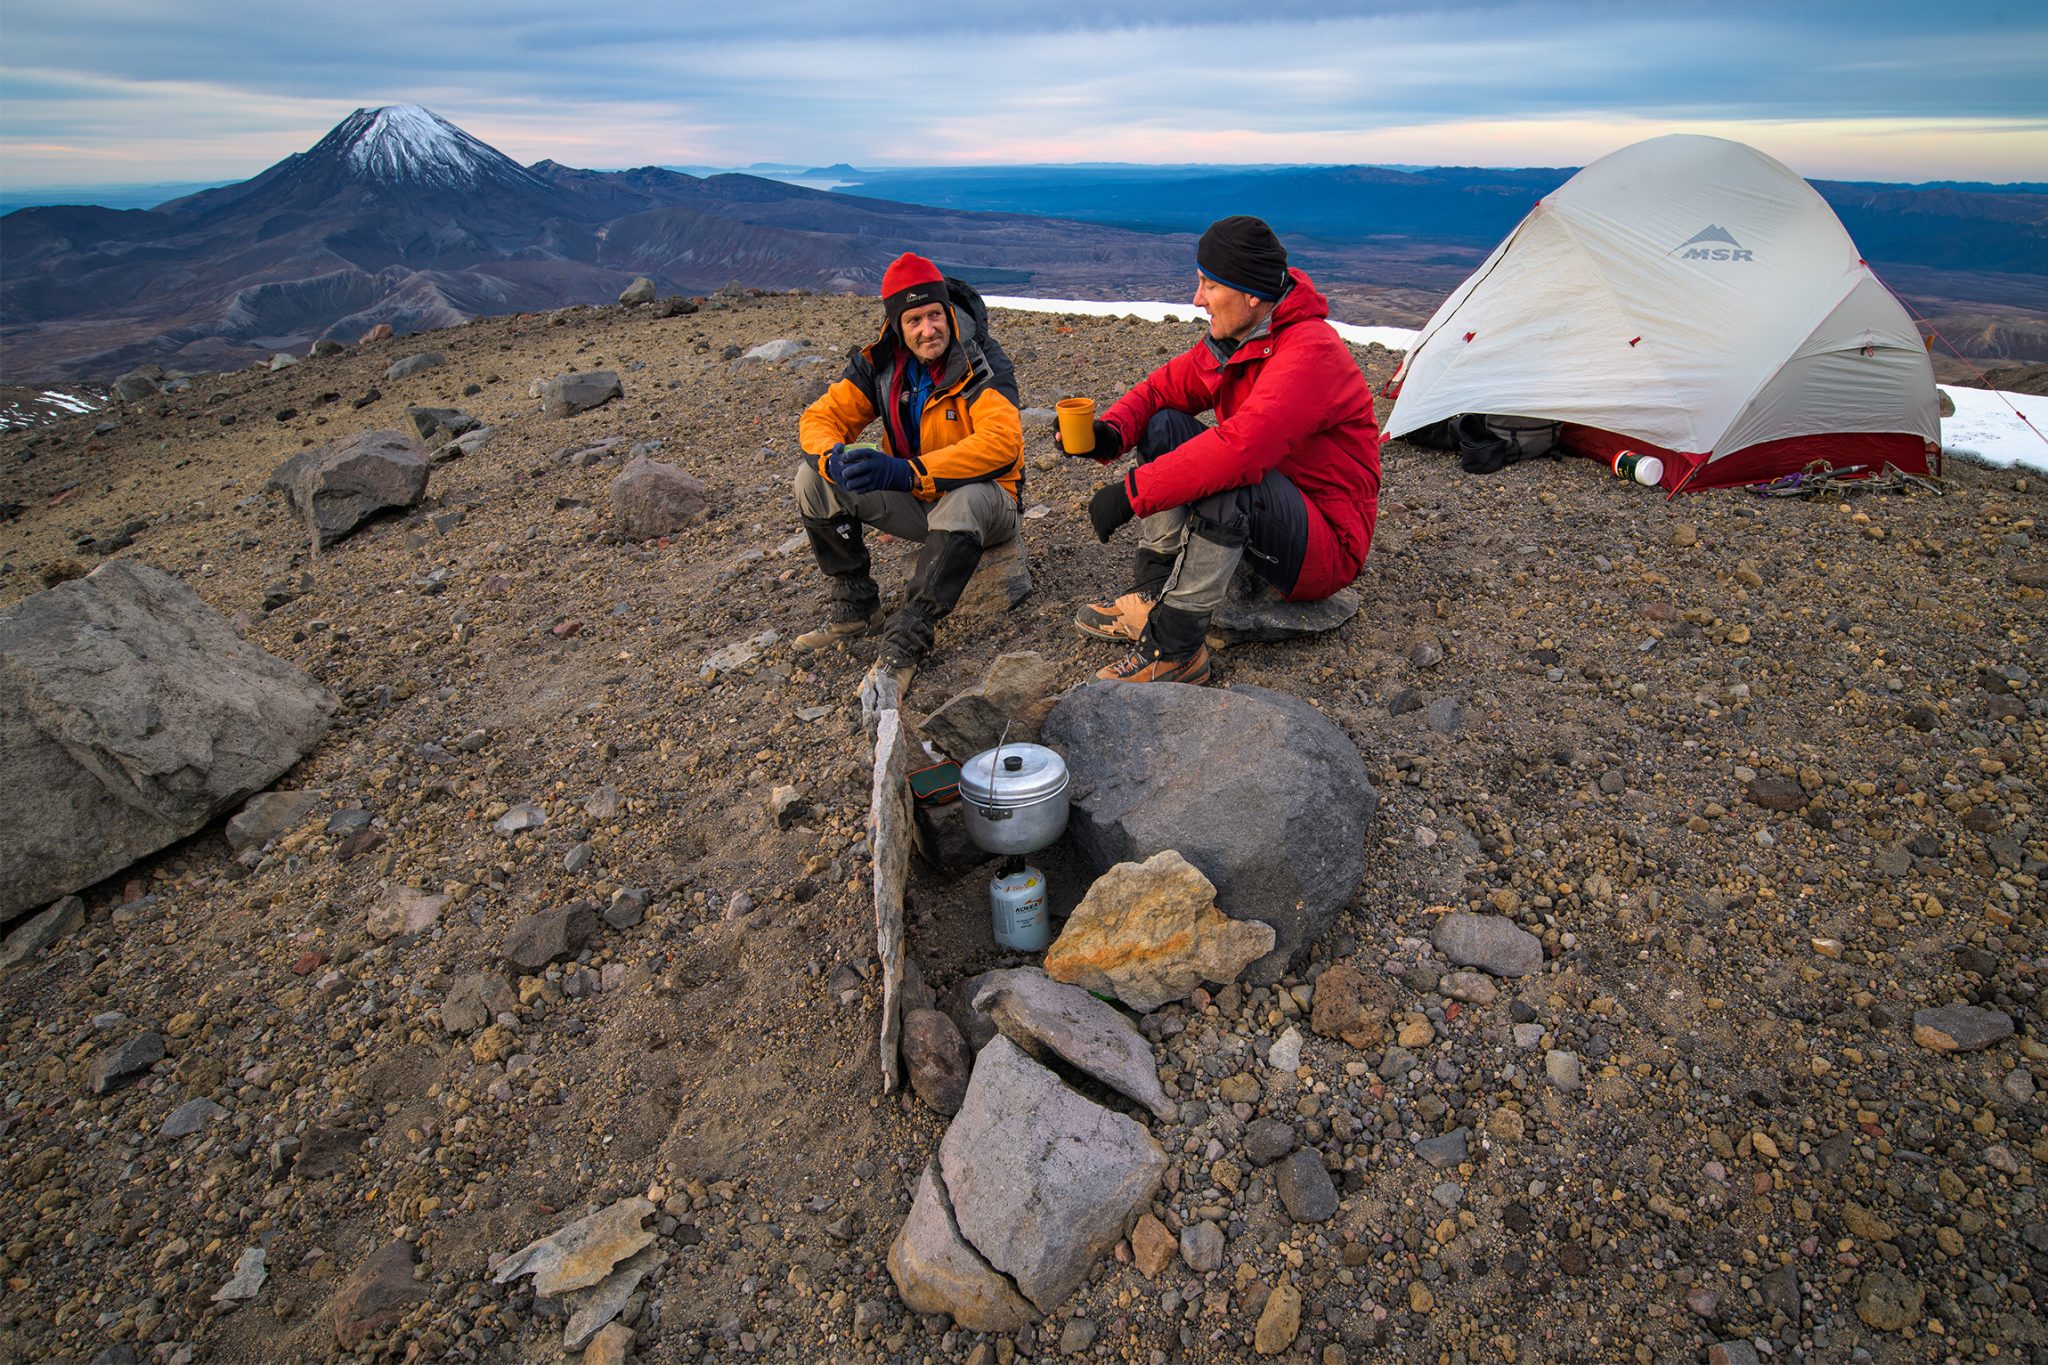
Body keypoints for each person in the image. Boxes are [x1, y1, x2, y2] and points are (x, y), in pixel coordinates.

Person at [1056, 216, 1381, 684]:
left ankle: (1177, 648)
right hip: (1277, 510)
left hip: (1325, 548)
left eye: (1209, 285)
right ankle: (1151, 593)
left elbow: (1240, 452)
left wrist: (1131, 492)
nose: (1197, 299)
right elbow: (1161, 392)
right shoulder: (1245, 337)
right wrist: (1111, 433)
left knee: (1229, 475)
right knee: (1164, 423)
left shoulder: (1310, 353)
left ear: (1251, 293)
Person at [793, 252, 1024, 694]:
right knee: (814, 482)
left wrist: (908, 471)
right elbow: (821, 418)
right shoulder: (880, 363)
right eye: (914, 319)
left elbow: (1002, 445)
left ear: (947, 313)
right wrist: (832, 459)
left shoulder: (979, 360)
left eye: (934, 315)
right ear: (898, 324)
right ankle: (856, 606)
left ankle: (905, 642)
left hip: (989, 505)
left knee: (967, 496)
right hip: (918, 499)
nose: (928, 329)